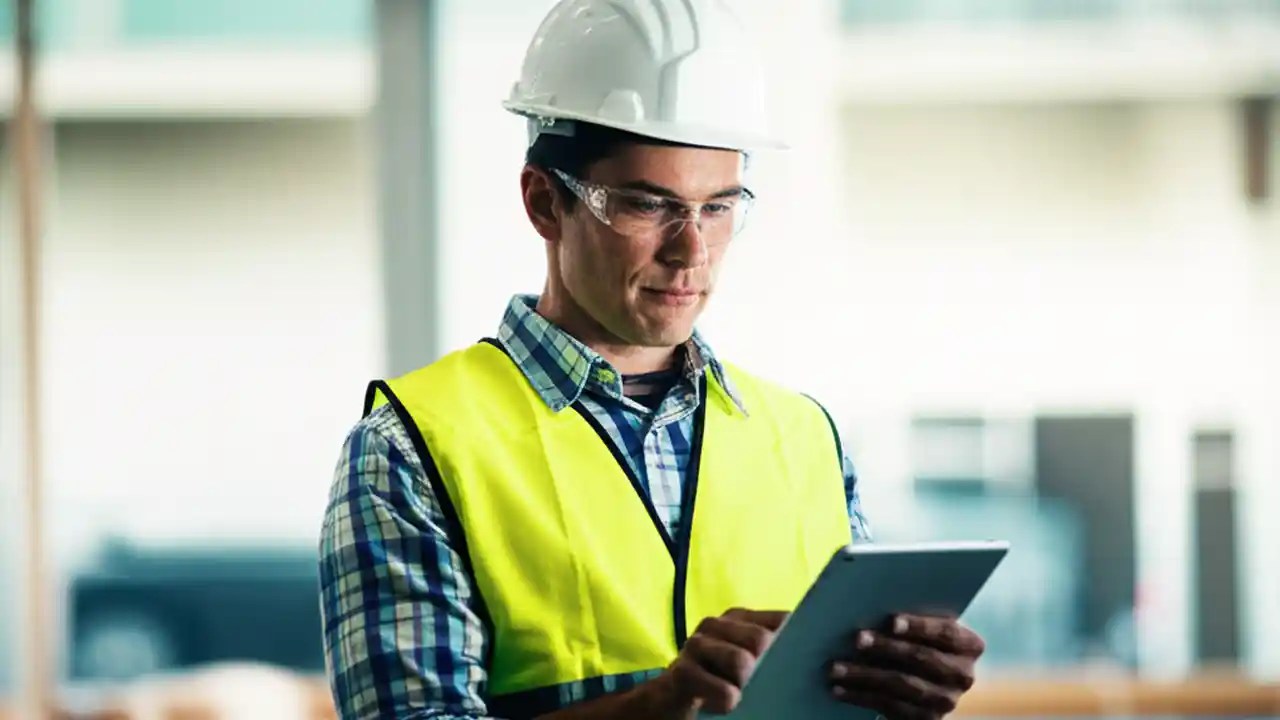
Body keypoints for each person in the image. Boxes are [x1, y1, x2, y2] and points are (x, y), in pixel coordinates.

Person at [319, 1, 986, 718]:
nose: (691, 252)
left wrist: (896, 688)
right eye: (647, 206)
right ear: (545, 203)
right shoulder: (411, 450)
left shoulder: (806, 440)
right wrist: (664, 704)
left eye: (719, 207)